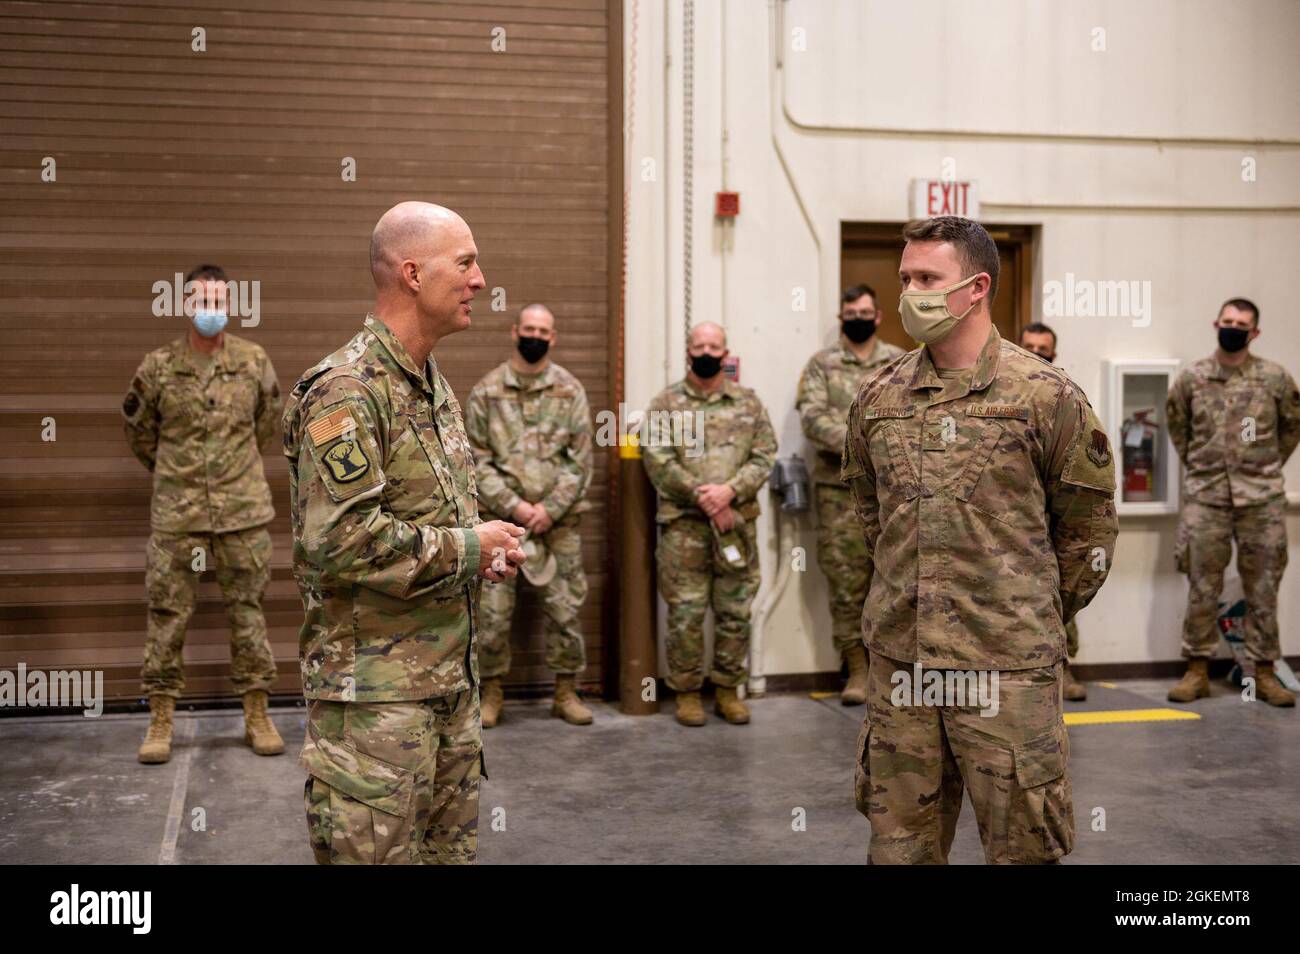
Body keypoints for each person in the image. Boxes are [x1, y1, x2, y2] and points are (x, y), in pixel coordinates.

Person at [844, 216, 1118, 863]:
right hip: (904, 666)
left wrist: (1019, 612)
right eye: (906, 277)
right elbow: (870, 517)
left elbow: (1088, 535)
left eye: (928, 278)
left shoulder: (1047, 397)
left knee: (1022, 848)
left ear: (975, 287)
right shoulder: (878, 398)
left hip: (1006, 669)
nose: (911, 292)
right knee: (899, 849)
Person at [283, 201, 526, 864]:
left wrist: (480, 550)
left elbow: (426, 527)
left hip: (447, 697)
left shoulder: (434, 389)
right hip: (374, 714)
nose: (481, 281)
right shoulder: (346, 392)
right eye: (467, 263)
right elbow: (341, 540)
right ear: (413, 274)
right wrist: (470, 548)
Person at [123, 264, 283, 764]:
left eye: (218, 301)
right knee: (168, 617)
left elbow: (266, 424)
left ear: (230, 305)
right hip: (179, 514)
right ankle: (161, 720)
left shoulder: (254, 362)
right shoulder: (158, 367)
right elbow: (139, 431)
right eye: (201, 300)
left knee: (248, 614)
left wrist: (232, 470)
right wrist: (178, 473)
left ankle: (257, 714)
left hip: (242, 512)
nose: (209, 309)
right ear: (184, 304)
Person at [1165, 298, 1300, 707]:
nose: (1233, 327)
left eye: (1242, 323)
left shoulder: (1275, 379)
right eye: (1227, 321)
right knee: (1202, 586)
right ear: (1215, 324)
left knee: (1263, 587)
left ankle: (1262, 672)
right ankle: (1197, 670)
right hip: (1206, 498)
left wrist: (1261, 467)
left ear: (1255, 332)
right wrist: (1202, 467)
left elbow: (1291, 429)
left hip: (1261, 499)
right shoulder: (1192, 379)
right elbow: (1178, 428)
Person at [466, 303, 595, 727]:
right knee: (494, 613)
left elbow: (579, 461)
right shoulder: (487, 392)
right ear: (514, 330)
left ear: (553, 338)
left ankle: (566, 692)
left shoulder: (569, 390)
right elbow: (476, 461)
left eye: (544, 330)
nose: (535, 336)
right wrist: (516, 507)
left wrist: (549, 510)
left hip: (558, 526)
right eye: (529, 328)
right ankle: (492, 694)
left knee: (565, 609)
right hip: (502, 526)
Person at [642, 322, 777, 726]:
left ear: (725, 352)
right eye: (698, 345)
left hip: (735, 525)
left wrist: (730, 492)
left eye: (713, 345)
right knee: (685, 612)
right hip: (685, 527)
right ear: (688, 352)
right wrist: (702, 494)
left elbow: (765, 454)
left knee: (735, 610)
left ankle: (726, 689)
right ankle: (686, 692)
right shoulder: (666, 403)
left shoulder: (748, 403)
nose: (705, 351)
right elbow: (657, 458)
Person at [797, 284, 904, 704]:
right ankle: (856, 670)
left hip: (893, 493)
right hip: (838, 493)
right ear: (841, 319)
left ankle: (889, 668)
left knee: (896, 579)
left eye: (864, 312)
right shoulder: (822, 365)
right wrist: (865, 446)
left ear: (877, 316)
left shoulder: (899, 362)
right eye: (850, 313)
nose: (857, 318)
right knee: (845, 584)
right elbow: (812, 418)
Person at [1019, 322, 1087, 702]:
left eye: (1043, 349)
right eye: (1029, 346)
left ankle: (1064, 665)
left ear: (1054, 355)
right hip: (1018, 512)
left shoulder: (1066, 395)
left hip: (1055, 507)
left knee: (1059, 584)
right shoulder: (1004, 391)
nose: (1036, 353)